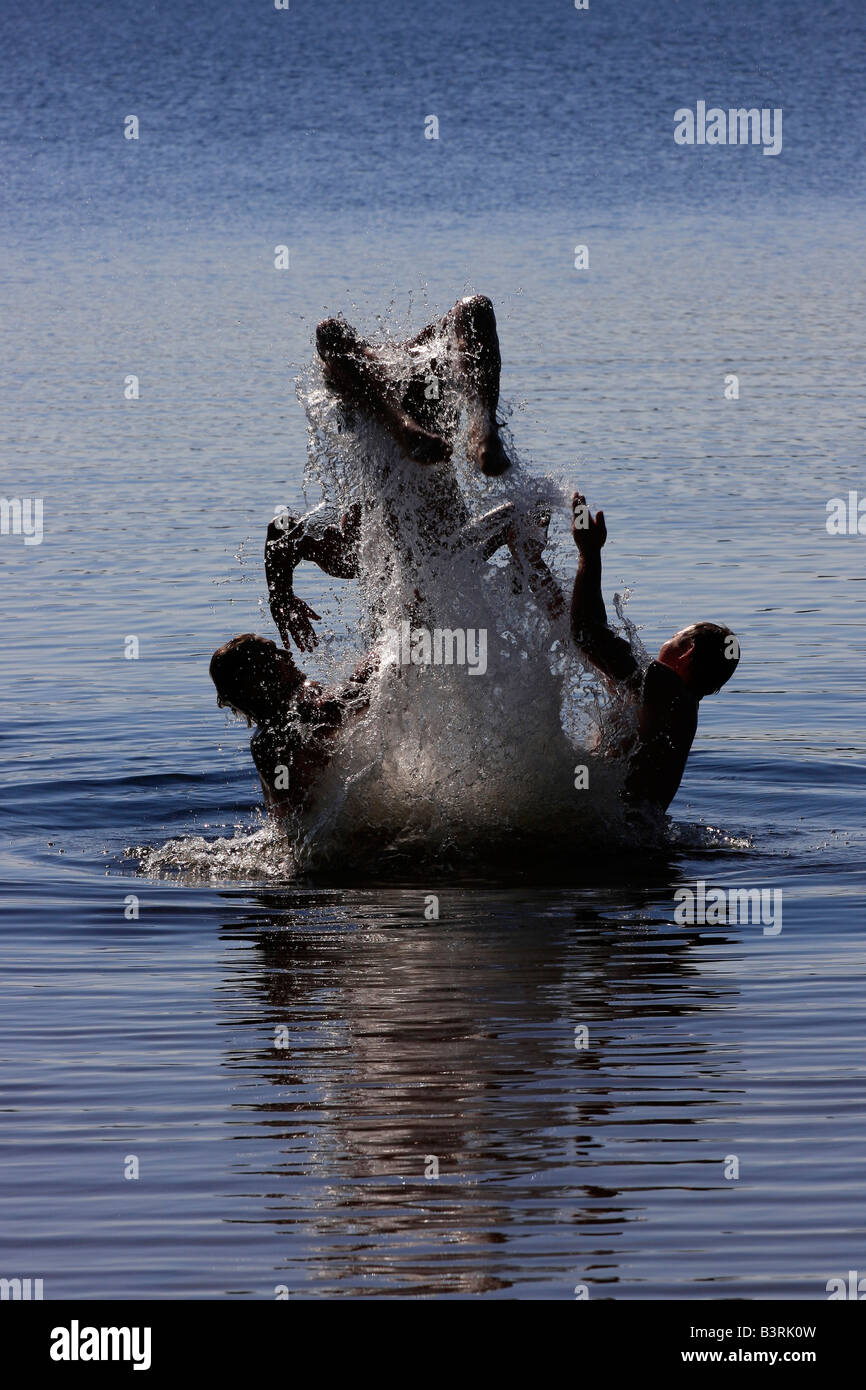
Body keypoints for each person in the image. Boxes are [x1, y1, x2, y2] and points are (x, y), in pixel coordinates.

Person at [568, 492, 740, 813]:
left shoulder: (665, 688)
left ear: (686, 654)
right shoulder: (669, 702)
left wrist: (590, 554)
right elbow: (594, 630)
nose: (668, 638)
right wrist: (532, 561)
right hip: (631, 841)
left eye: (676, 636)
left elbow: (585, 633)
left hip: (614, 840)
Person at [315, 293, 510, 476]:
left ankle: (482, 425)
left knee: (474, 307)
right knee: (328, 332)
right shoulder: (350, 383)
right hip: (397, 412)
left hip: (426, 391)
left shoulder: (416, 365)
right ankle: (479, 426)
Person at [209, 633, 376, 821]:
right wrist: (396, 635)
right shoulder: (294, 725)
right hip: (330, 841)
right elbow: (365, 686)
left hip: (302, 839)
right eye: (273, 653)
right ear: (257, 678)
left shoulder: (264, 740)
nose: (286, 654)